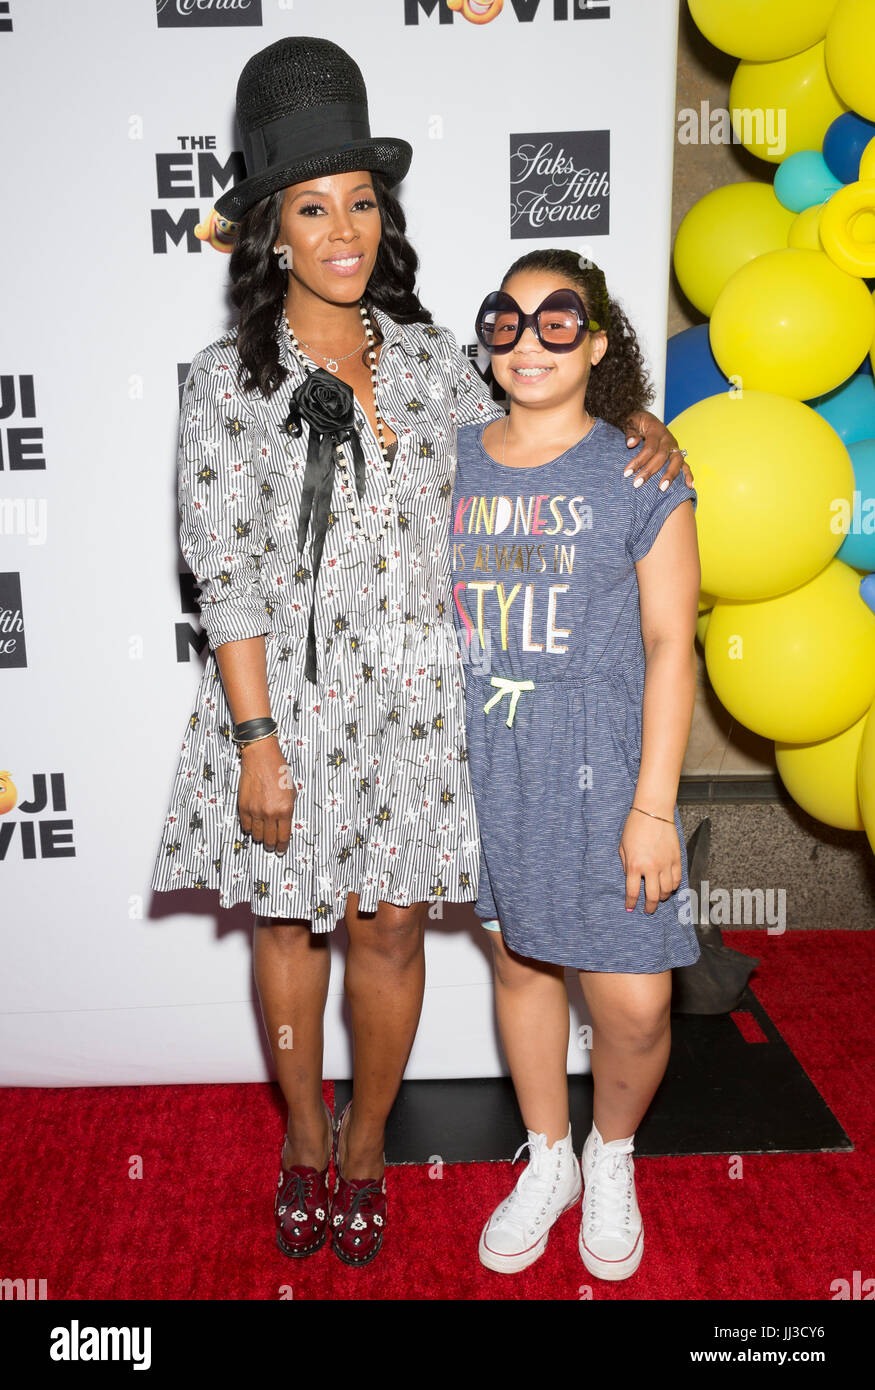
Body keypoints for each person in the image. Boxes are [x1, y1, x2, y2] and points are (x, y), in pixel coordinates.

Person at [150, 36, 693, 1268]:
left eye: (358, 201)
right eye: (310, 207)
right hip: (280, 702)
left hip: (415, 705)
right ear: (268, 230)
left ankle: (367, 1144)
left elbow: (539, 410)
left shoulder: (439, 357)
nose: (342, 229)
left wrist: (635, 416)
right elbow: (223, 569)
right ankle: (302, 1137)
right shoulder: (220, 384)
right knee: (290, 930)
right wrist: (255, 739)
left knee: (390, 932)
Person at [451, 248, 701, 1281]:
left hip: (606, 764)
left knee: (634, 1001)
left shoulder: (640, 468)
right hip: (486, 755)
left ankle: (612, 1152)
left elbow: (666, 646)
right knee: (521, 962)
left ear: (595, 342)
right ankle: (547, 1153)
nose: (528, 340)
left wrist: (653, 807)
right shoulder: (446, 456)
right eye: (503, 321)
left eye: (558, 320)